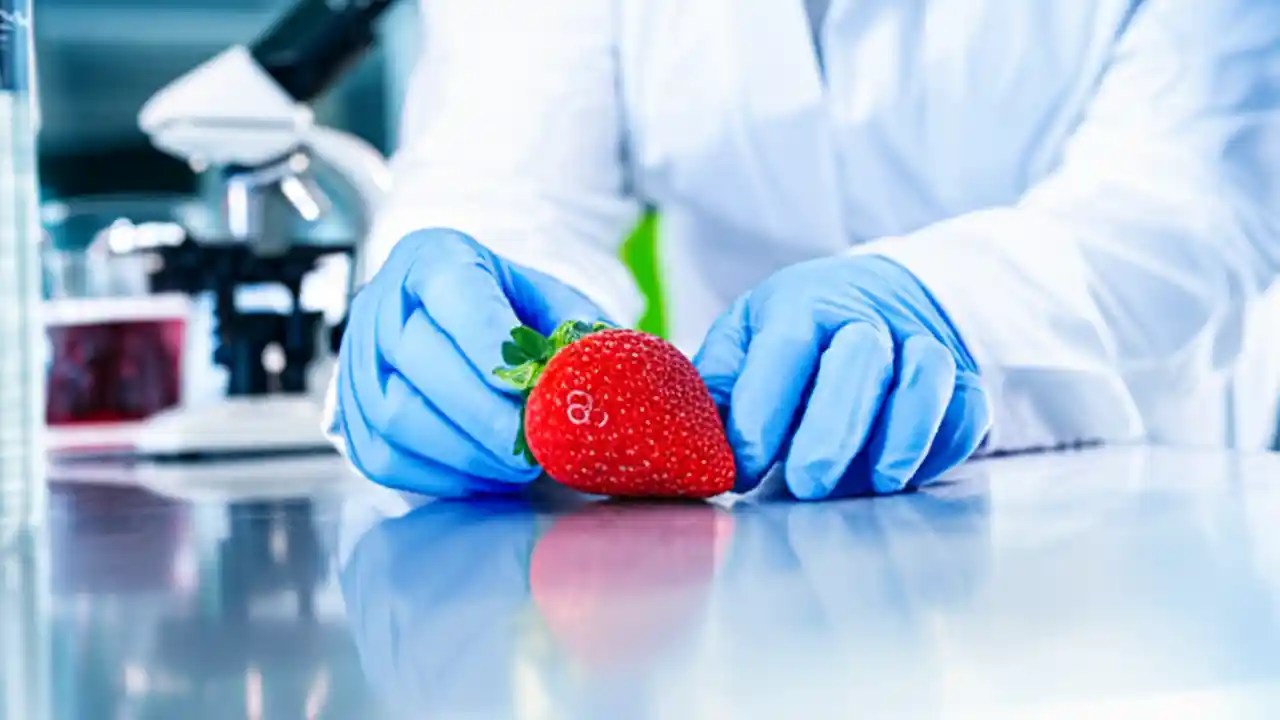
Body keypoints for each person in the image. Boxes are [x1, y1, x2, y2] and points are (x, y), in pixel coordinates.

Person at [328, 0, 1280, 499]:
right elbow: (507, 166)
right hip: (725, 552)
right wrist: (464, 322)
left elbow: (1189, 194)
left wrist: (943, 305)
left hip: (1119, 537)